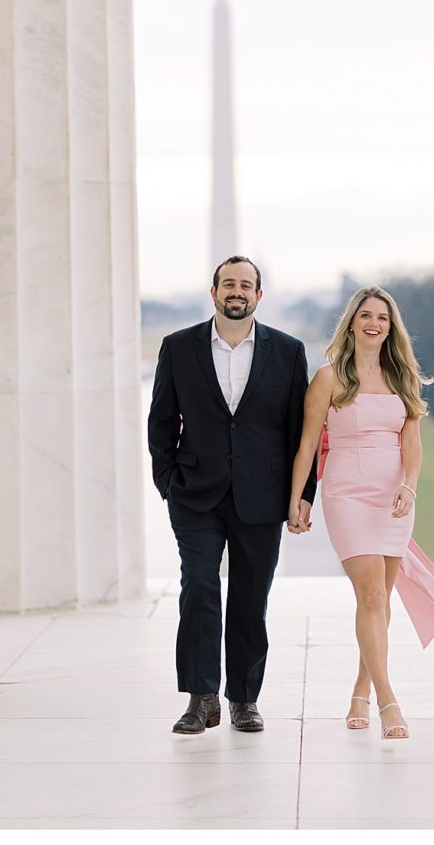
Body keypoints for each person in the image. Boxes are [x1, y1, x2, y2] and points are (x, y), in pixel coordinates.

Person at [287, 285, 434, 740]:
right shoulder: (328, 378)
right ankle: (389, 700)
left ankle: (360, 692)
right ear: (351, 323)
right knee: (370, 596)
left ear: (391, 327)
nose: (374, 323)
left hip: (392, 497)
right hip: (346, 495)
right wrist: (297, 499)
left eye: (382, 318)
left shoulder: (403, 376)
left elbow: (412, 443)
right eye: (366, 315)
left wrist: (410, 487)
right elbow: (306, 445)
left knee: (380, 603)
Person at [147, 256, 315, 735]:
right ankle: (201, 699)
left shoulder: (288, 351)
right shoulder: (178, 347)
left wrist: (302, 494)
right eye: (228, 284)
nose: (236, 291)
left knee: (249, 596)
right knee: (199, 589)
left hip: (262, 496)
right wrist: (168, 482)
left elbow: (300, 432)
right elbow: (161, 422)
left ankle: (243, 698)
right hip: (195, 494)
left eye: (246, 285)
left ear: (259, 295)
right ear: (214, 291)